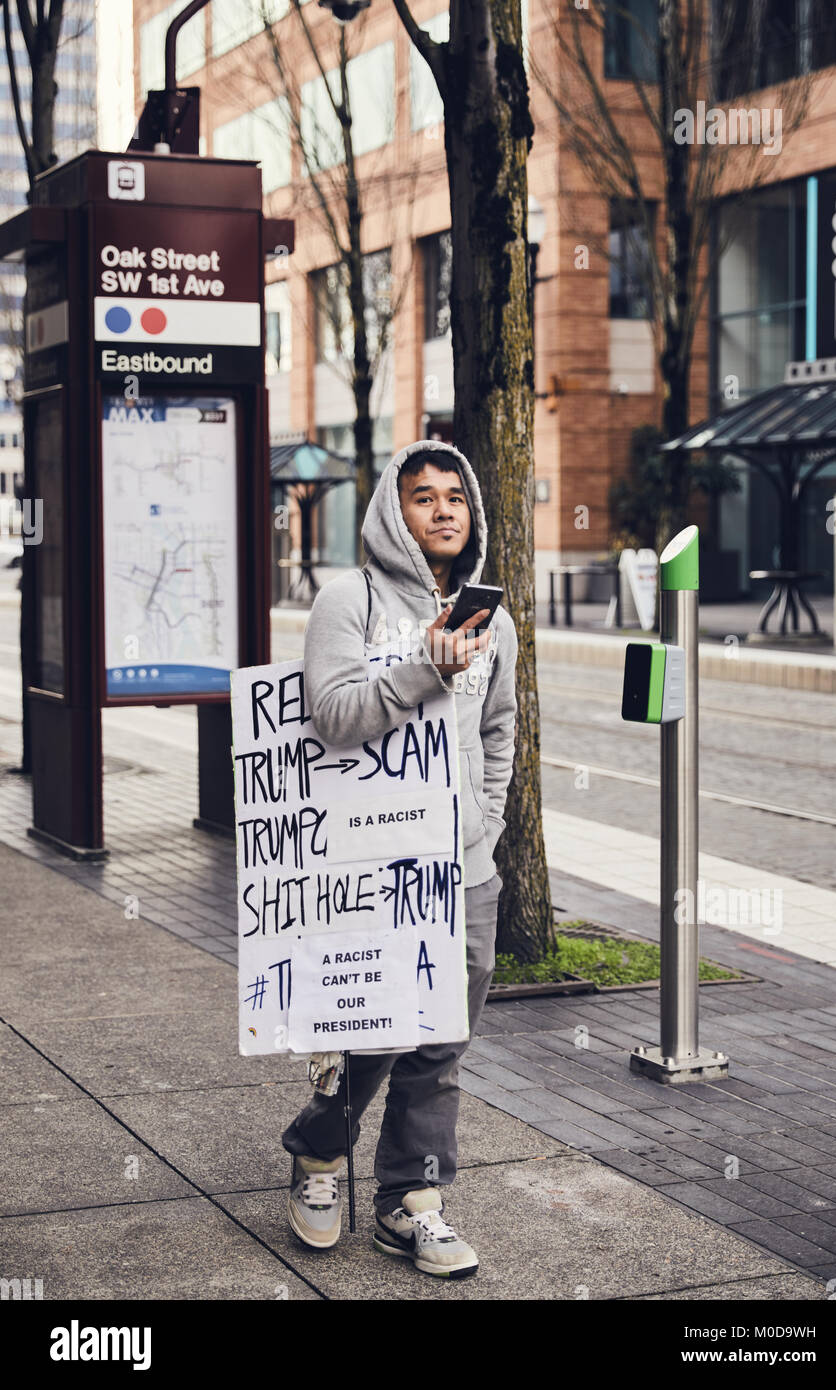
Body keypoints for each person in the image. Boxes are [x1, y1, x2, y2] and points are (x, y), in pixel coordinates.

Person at [281, 438, 518, 1280]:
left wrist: (481, 828)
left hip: (464, 869)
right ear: (393, 509)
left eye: (457, 496)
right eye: (424, 496)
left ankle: (410, 1202)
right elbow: (333, 717)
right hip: (373, 865)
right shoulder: (349, 601)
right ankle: (317, 1158)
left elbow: (498, 731)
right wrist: (424, 669)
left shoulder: (495, 620)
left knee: (440, 1042)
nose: (445, 508)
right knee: (374, 1034)